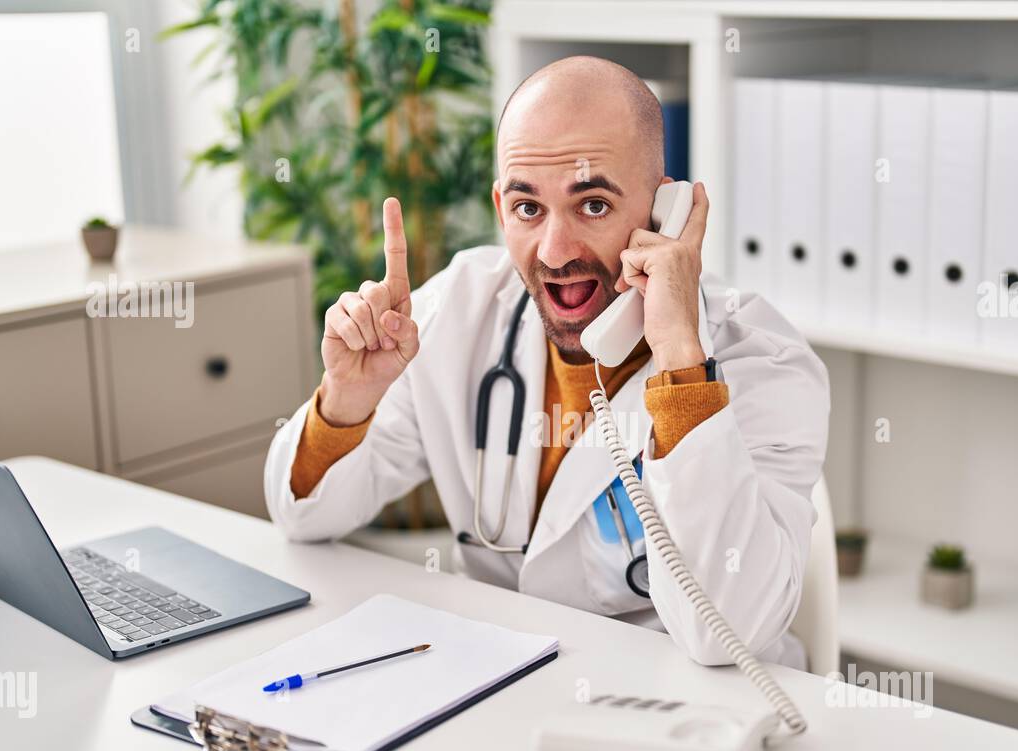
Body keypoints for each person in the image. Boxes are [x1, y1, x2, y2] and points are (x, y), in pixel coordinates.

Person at [264, 56, 829, 667]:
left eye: (592, 205)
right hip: (499, 689)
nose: (555, 254)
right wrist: (348, 397)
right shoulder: (456, 311)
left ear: (667, 209)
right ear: (501, 207)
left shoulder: (763, 362)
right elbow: (305, 520)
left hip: (688, 713)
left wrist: (678, 360)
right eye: (529, 209)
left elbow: (729, 635)